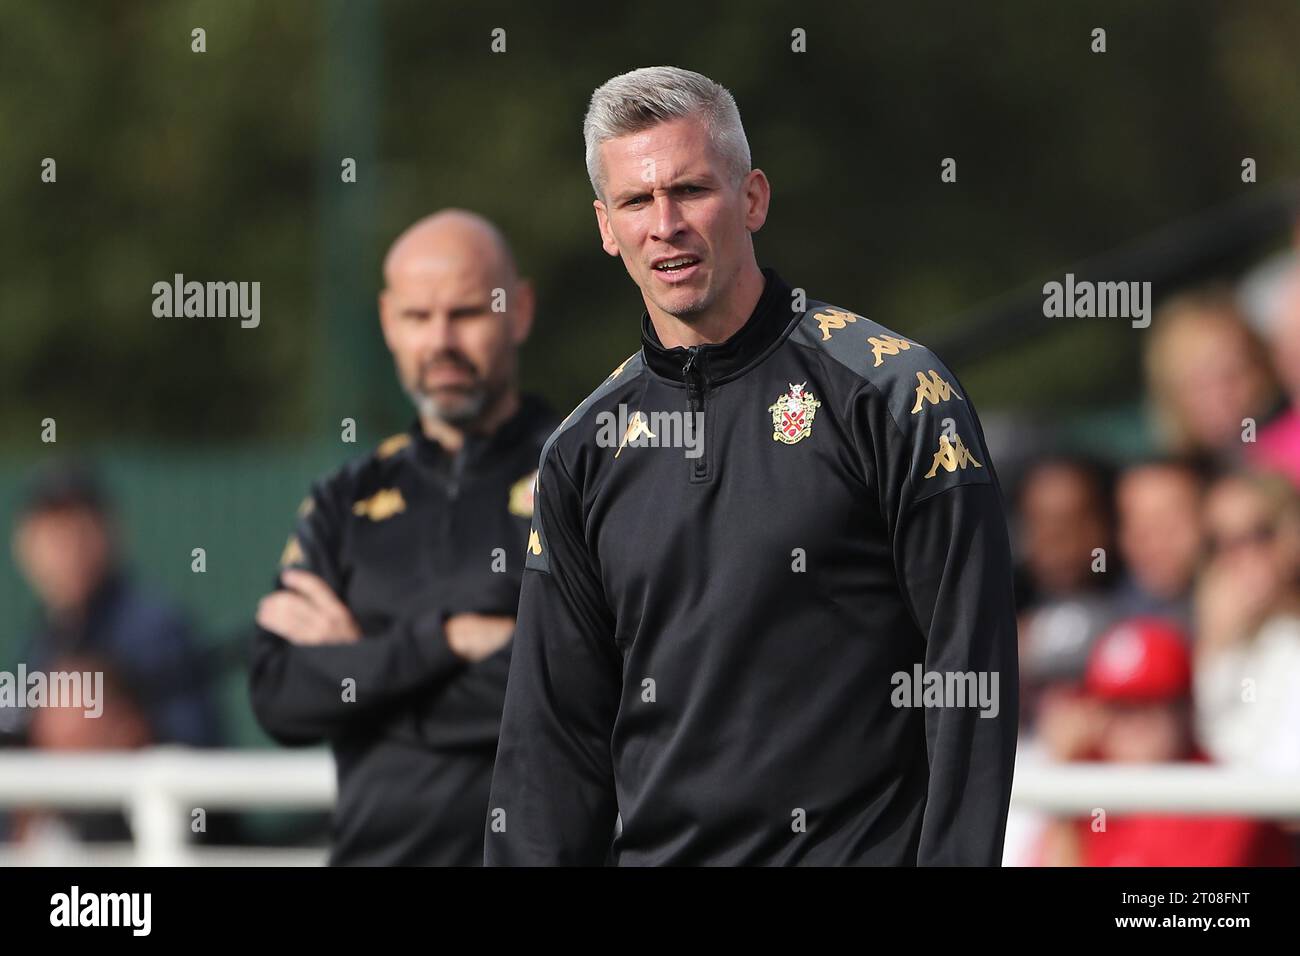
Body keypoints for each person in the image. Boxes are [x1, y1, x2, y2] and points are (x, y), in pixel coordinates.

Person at [485, 66, 1018, 866]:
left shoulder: (896, 394)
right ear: (606, 225)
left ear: (754, 199)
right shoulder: (580, 453)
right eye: (637, 201)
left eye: (692, 190)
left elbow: (969, 678)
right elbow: (551, 745)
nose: (665, 224)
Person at [248, 210, 555, 865]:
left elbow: (572, 685)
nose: (440, 341)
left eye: (467, 312)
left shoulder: (581, 475)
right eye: (418, 317)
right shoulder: (345, 497)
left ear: (519, 310)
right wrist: (445, 641)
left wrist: (363, 666)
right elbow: (279, 696)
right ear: (388, 322)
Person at [1039, 617, 1293, 867]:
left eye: (1149, 703)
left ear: (1185, 707)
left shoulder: (1227, 803)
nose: (1131, 725)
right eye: (1116, 707)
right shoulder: (1090, 786)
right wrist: (1064, 789)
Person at [7, 463, 218, 749]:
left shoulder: (153, 630)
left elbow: (194, 747)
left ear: (109, 534)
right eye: (52, 536)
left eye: (78, 531)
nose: (66, 551)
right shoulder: (42, 641)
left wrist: (112, 730)